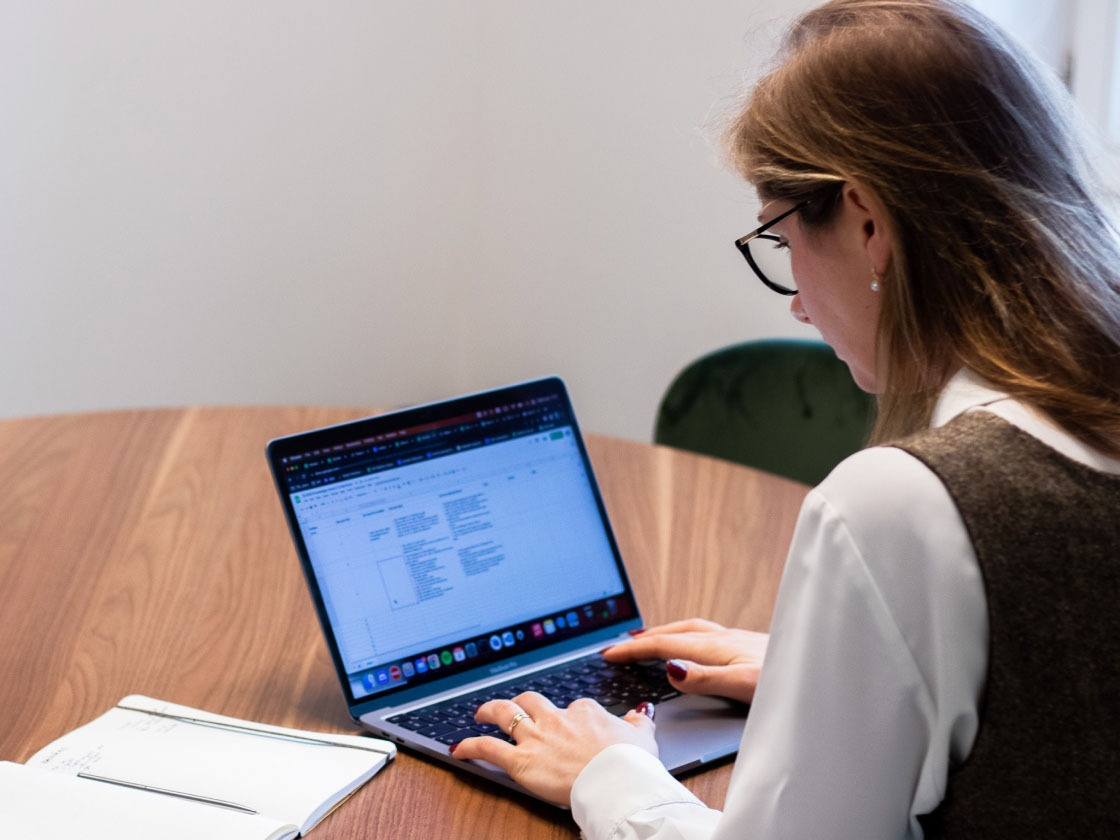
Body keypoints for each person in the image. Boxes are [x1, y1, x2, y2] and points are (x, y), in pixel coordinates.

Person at [452, 0, 1120, 836]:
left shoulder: (902, 507)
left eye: (779, 238)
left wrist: (608, 776)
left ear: (869, 223)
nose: (799, 303)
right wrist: (846, 675)